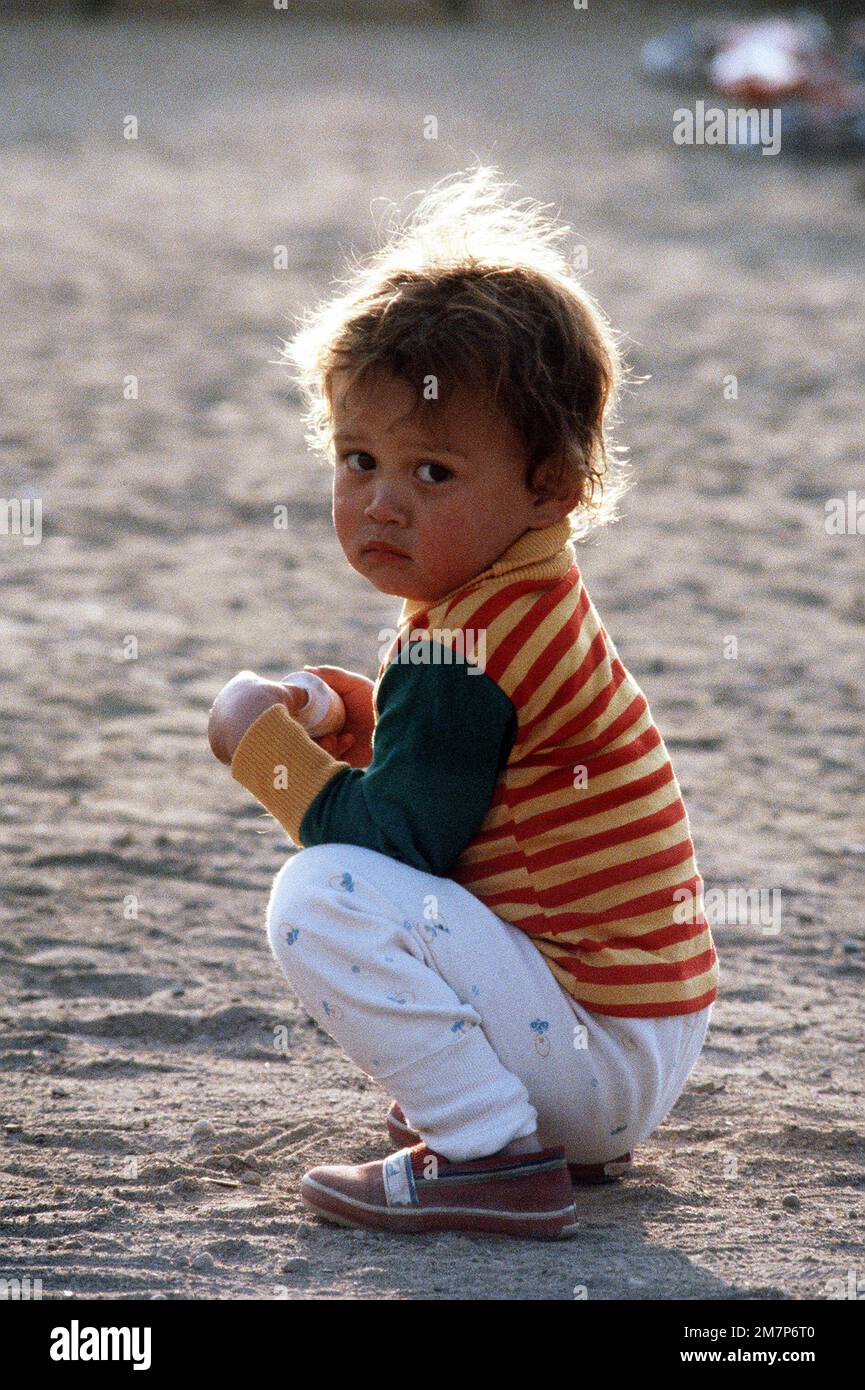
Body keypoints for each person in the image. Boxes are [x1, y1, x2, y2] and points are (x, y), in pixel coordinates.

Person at [208, 166, 719, 1239]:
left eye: (432, 471)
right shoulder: (521, 594)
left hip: (594, 1051)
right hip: (632, 1031)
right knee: (352, 876)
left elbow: (401, 835)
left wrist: (263, 753)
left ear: (552, 484)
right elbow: (454, 761)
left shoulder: (464, 645)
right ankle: (505, 1122)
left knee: (321, 894)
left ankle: (489, 1155)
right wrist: (340, 708)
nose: (381, 501)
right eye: (358, 458)